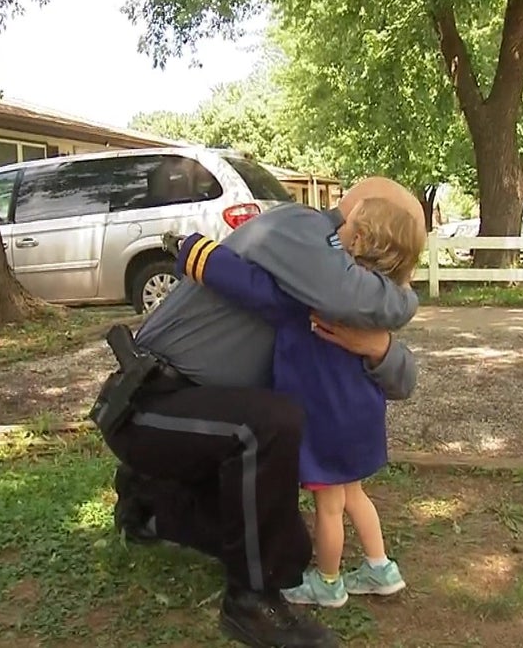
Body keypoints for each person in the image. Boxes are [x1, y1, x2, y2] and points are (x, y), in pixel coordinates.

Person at [90, 177, 426, 648]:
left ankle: (148, 503)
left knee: (288, 550)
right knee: (271, 424)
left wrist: (376, 347)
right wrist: (407, 298)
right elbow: (353, 299)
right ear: (362, 223)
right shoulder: (300, 231)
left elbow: (403, 380)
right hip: (149, 404)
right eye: (395, 251)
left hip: (204, 413)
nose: (394, 268)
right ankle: (250, 604)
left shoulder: (340, 276)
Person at [172, 194, 423, 609]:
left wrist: (194, 252)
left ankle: (328, 583)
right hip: (360, 418)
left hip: (326, 421)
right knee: (354, 494)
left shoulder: (312, 301)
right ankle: (381, 568)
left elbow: (250, 286)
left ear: (359, 240)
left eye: (345, 227)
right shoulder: (377, 308)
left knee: (329, 506)